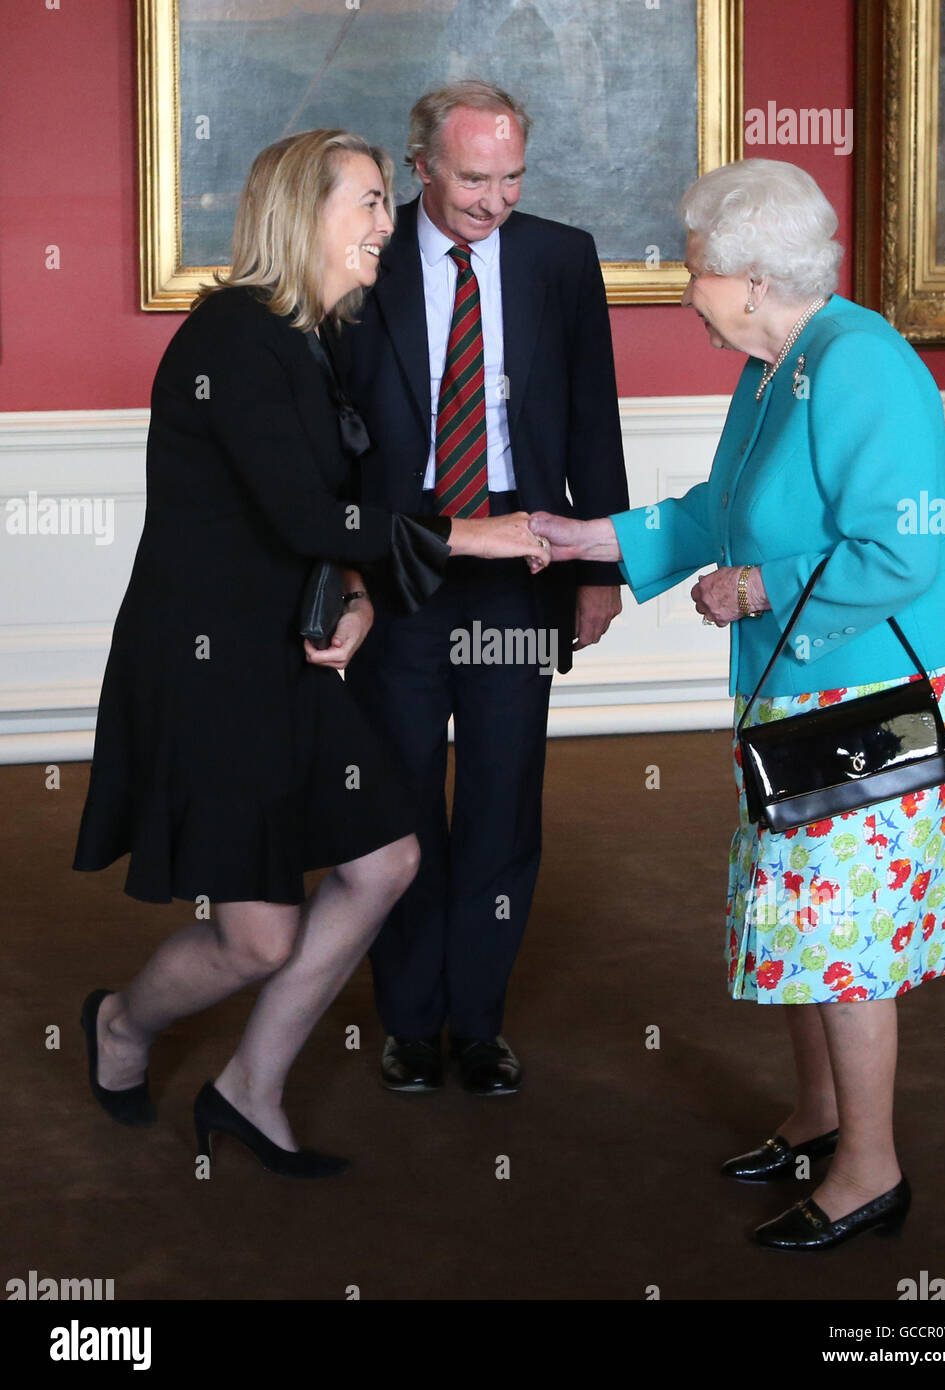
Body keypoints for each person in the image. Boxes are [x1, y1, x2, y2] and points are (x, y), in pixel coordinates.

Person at [73, 128, 549, 1177]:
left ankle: (248, 1086)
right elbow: (305, 513)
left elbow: (332, 519)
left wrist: (362, 594)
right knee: (257, 937)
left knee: (385, 859)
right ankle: (118, 1022)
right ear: (302, 214)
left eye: (387, 202)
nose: (389, 225)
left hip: (289, 653)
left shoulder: (307, 335)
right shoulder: (231, 339)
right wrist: (475, 533)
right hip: (207, 670)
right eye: (370, 203)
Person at [529, 159, 945, 1248]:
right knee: (798, 912)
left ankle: (869, 1170)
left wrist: (755, 587)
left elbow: (899, 550)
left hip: (868, 694)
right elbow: (721, 508)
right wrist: (603, 540)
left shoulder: (861, 363)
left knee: (845, 936)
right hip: (795, 689)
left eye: (692, 266)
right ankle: (823, 1117)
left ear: (746, 275)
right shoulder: (780, 363)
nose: (685, 286)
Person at [325, 79, 629, 1096]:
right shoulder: (365, 258)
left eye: (510, 177)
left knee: (502, 795)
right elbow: (330, 433)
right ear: (419, 168)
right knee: (402, 797)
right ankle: (409, 1020)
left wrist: (601, 566)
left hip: (524, 560)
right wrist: (337, 574)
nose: (494, 200)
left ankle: (478, 1019)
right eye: (471, 178)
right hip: (399, 563)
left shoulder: (557, 258)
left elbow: (593, 415)